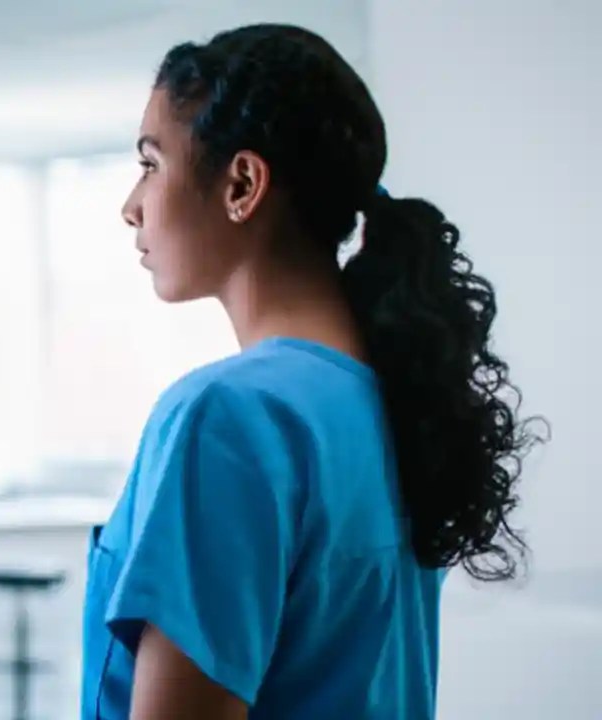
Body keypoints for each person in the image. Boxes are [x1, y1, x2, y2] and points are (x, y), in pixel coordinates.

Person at [81, 24, 547, 719]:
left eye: (151, 164)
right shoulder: (393, 399)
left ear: (242, 183)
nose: (131, 206)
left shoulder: (226, 418)